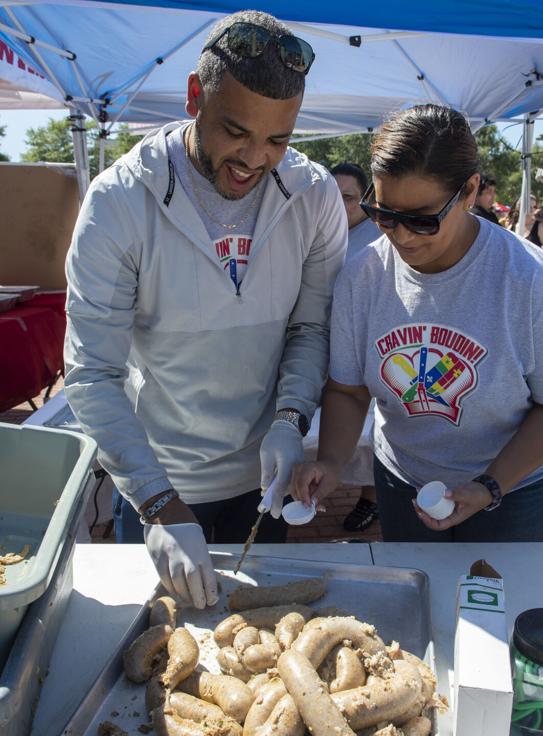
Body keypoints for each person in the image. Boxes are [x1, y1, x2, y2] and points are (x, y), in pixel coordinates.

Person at [64, 10, 347, 608]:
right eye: (236, 131)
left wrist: (291, 419)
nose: (254, 159)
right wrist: (159, 504)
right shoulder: (118, 202)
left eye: (279, 140)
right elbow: (91, 372)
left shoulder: (315, 193)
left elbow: (310, 326)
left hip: (264, 476)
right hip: (156, 477)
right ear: (195, 96)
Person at [292, 104, 543, 543]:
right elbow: (347, 388)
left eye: (422, 219)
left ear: (470, 190)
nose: (400, 235)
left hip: (513, 487)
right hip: (402, 476)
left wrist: (490, 485)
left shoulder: (531, 281)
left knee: (494, 598)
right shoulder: (362, 278)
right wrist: (332, 461)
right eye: (384, 214)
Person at [330, 162, 380, 531]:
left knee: (372, 434)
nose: (339, 204)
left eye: (347, 197)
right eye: (331, 196)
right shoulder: (322, 232)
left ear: (366, 200)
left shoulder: (380, 241)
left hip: (367, 353)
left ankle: (371, 499)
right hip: (326, 347)